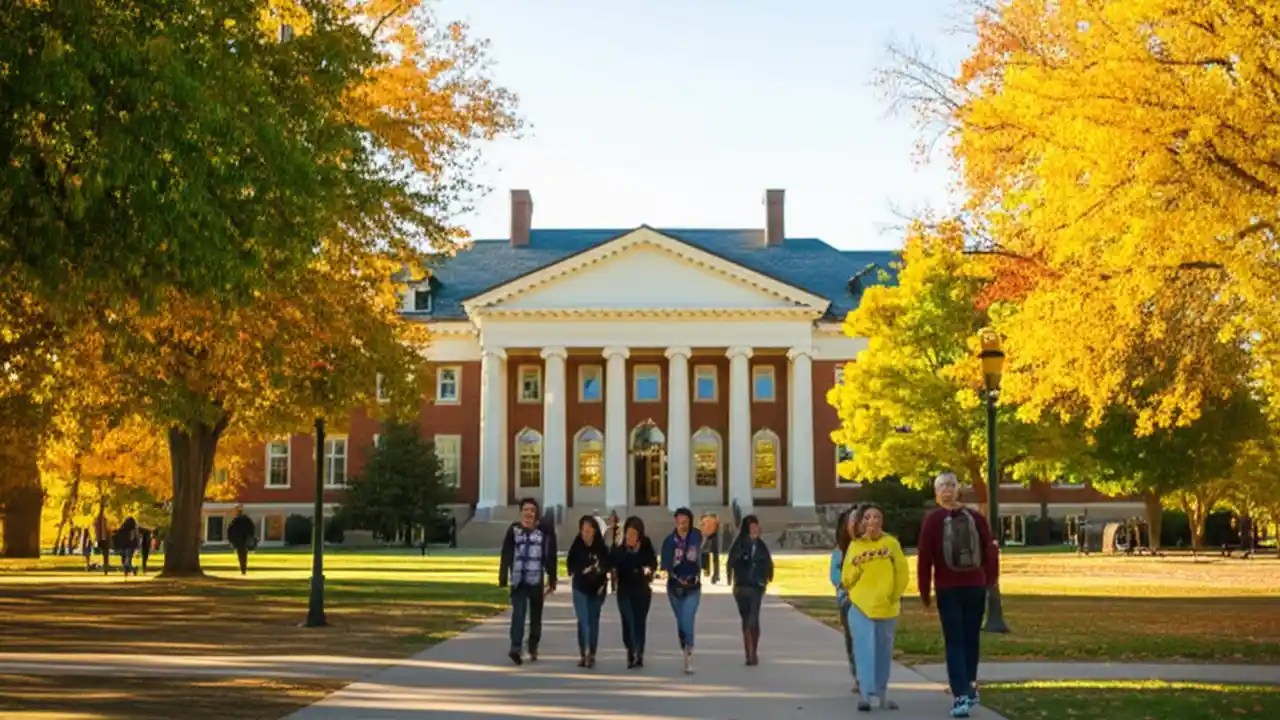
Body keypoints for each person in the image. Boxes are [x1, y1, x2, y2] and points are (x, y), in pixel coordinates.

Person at [917, 472, 1000, 718]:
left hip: (950, 587)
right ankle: (969, 686)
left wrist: (925, 593)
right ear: (938, 491)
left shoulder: (934, 520)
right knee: (968, 638)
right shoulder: (974, 517)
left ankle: (961, 693)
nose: (947, 489)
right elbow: (991, 550)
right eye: (943, 485)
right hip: (972, 585)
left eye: (950, 484)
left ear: (955, 489)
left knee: (956, 640)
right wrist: (989, 581)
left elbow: (925, 559)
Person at [842, 503, 908, 713]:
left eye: (877, 517)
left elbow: (902, 573)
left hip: (886, 607)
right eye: (868, 517)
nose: (873, 521)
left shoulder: (891, 544)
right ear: (862, 522)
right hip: (861, 607)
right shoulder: (856, 546)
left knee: (883, 651)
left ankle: (882, 694)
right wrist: (858, 567)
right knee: (864, 650)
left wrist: (894, 595)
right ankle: (864, 696)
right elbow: (846, 578)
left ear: (882, 521)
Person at [498, 497, 558, 666]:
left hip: (535, 580)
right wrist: (503, 576)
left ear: (536, 514)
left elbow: (549, 556)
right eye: (526, 510)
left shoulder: (542, 534)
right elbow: (506, 553)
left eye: (532, 510)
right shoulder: (513, 531)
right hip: (518, 580)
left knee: (535, 617)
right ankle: (515, 648)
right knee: (518, 614)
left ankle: (532, 645)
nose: (529, 513)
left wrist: (551, 578)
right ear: (521, 512)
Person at [610, 516, 657, 669]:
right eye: (628, 534)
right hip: (624, 590)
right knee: (627, 620)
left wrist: (649, 569)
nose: (630, 537)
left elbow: (652, 563)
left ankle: (639, 652)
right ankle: (630, 649)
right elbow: (612, 561)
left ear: (640, 535)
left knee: (639, 622)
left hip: (641, 590)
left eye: (633, 534)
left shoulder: (645, 546)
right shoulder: (620, 548)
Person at [660, 506, 703, 674]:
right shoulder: (670, 541)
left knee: (687, 619)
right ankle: (684, 647)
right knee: (681, 623)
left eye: (685, 522)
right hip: (675, 588)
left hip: (692, 587)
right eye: (679, 522)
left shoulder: (696, 537)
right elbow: (665, 565)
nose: (682, 525)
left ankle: (689, 653)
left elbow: (703, 552)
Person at [727, 514, 773, 666]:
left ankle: (752, 653)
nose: (755, 530)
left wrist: (766, 579)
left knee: (753, 619)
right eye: (752, 528)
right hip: (741, 587)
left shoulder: (761, 546)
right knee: (746, 618)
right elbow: (731, 562)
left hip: (756, 587)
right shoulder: (739, 545)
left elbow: (768, 563)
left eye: (756, 527)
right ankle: (749, 651)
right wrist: (731, 578)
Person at [567, 515, 610, 668]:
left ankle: (591, 652)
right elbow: (570, 565)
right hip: (580, 587)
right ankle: (583, 653)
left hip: (596, 589)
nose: (586, 533)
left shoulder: (601, 547)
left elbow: (607, 565)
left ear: (594, 531)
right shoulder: (576, 545)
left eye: (589, 529)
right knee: (583, 620)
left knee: (593, 621)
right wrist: (581, 570)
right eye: (583, 530)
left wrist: (598, 570)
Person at [830, 507, 859, 692]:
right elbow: (835, 577)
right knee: (852, 640)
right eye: (853, 521)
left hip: (870, 601)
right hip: (848, 601)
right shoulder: (839, 552)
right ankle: (858, 676)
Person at [226, 507, 256, 575]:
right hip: (244, 539)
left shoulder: (235, 520)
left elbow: (230, 530)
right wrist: (251, 537)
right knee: (244, 554)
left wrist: (231, 539)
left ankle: (242, 567)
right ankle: (244, 567)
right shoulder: (247, 520)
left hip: (238, 540)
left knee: (240, 554)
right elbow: (252, 529)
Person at [700, 512, 722, 585]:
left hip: (707, 537)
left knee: (704, 553)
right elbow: (717, 529)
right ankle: (716, 574)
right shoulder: (715, 521)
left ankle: (707, 570)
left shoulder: (704, 520)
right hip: (714, 537)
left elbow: (702, 529)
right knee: (715, 558)